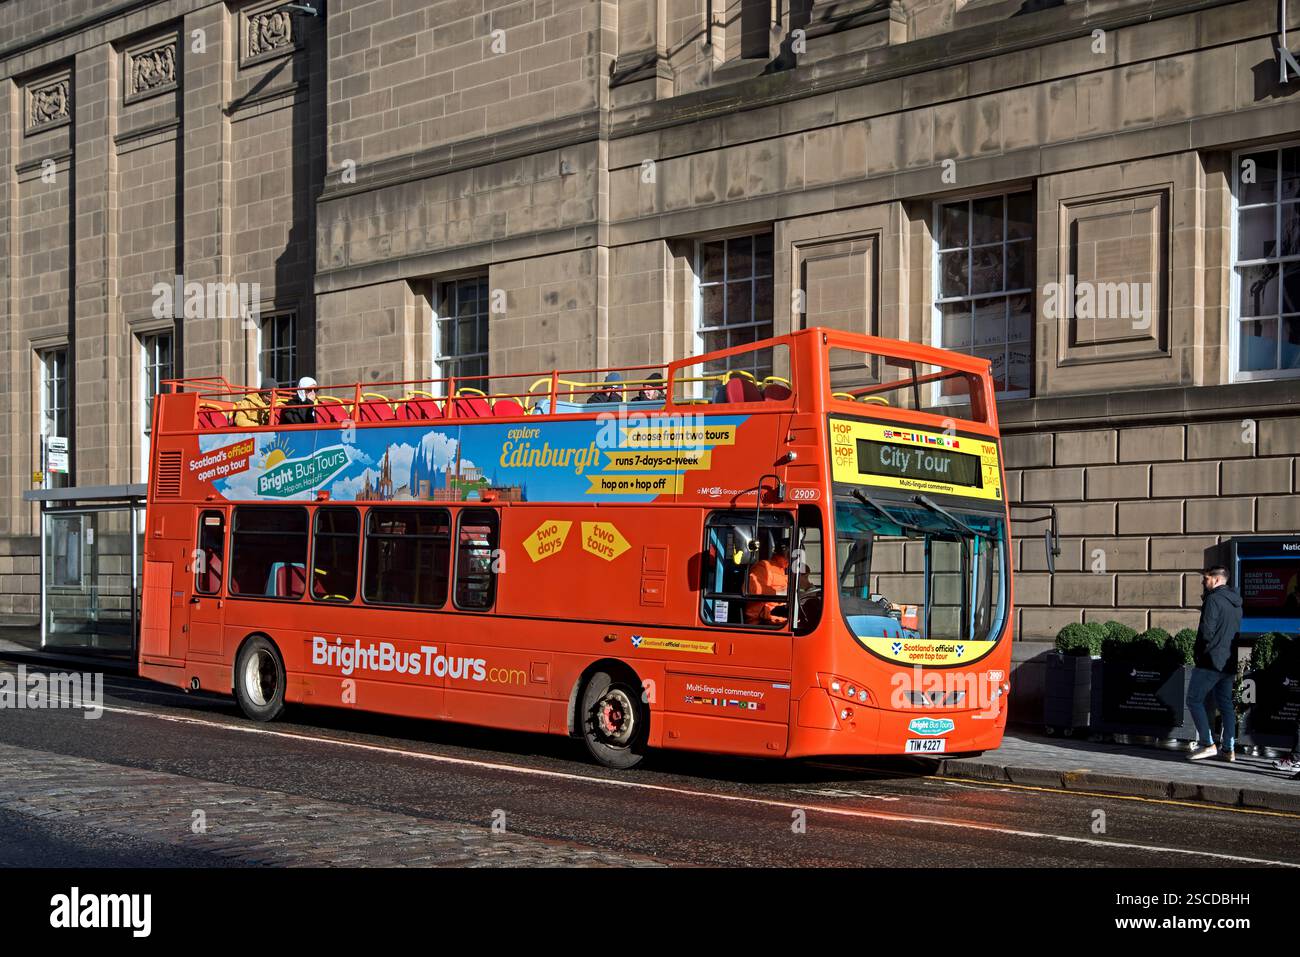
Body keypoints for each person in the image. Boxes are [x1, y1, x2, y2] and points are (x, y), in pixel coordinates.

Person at [1187, 565, 1243, 761]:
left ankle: (1207, 743)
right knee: (1226, 705)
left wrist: (1199, 654)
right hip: (1228, 662)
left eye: (1206, 578)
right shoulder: (1236, 602)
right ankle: (1229, 748)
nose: (1203, 582)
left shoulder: (1213, 599)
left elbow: (1206, 632)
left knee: (1193, 700)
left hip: (1210, 661)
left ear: (1217, 579)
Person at [745, 544, 790, 626]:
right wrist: (780, 593)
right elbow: (751, 589)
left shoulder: (784, 572)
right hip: (761, 620)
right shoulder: (764, 566)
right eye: (788, 556)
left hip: (777, 615)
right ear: (779, 554)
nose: (789, 560)